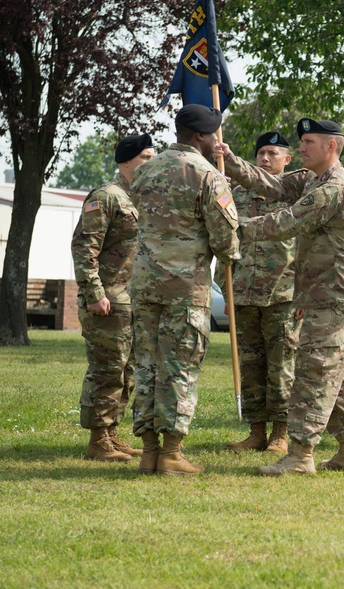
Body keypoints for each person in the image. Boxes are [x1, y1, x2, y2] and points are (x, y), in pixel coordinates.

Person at [214, 117, 344, 476]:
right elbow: (270, 186)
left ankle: (300, 455)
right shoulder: (310, 179)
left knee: (314, 373)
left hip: (335, 294)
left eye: (308, 143)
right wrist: (232, 159)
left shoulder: (333, 188)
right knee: (340, 373)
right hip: (322, 292)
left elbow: (286, 221)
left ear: (330, 146)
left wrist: (232, 229)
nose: (300, 148)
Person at [129, 105, 240, 476]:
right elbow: (225, 240)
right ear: (199, 136)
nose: (216, 142)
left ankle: (148, 451)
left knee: (146, 366)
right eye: (213, 136)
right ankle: (172, 454)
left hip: (144, 285)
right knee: (179, 367)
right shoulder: (208, 176)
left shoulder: (144, 170)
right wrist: (230, 252)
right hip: (185, 289)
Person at [72, 134, 155, 462]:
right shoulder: (107, 196)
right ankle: (98, 439)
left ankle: (111, 432)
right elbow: (83, 247)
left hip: (132, 300)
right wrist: (94, 293)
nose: (151, 163)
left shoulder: (143, 199)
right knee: (107, 369)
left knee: (127, 370)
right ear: (125, 161)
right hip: (107, 300)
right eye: (145, 158)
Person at [222, 132, 300, 455]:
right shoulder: (236, 195)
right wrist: (225, 288)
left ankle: (281, 432)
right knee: (250, 366)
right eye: (260, 154)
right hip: (242, 293)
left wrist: (305, 291)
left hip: (283, 295)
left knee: (281, 366)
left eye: (272, 153)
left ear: (287, 159)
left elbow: (308, 246)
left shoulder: (296, 195)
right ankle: (256, 431)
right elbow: (226, 242)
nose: (265, 159)